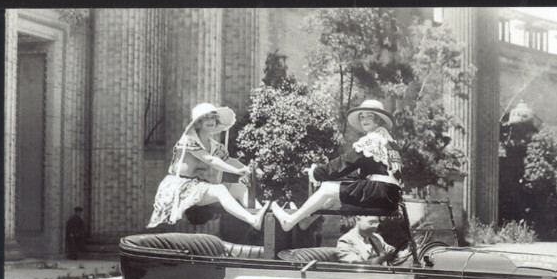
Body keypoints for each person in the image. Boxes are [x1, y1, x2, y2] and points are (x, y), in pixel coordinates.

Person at [270, 99, 403, 232]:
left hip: (381, 192)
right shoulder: (387, 140)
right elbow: (360, 171)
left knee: (328, 188)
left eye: (369, 116)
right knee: (334, 196)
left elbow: (345, 162)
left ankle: (289, 221)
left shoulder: (373, 139)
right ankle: (304, 220)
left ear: (379, 119)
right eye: (362, 116)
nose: (364, 120)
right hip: (389, 194)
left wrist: (317, 172)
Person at [148, 103, 269, 230]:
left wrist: (249, 169)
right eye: (206, 118)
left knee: (239, 187)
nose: (211, 121)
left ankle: (263, 216)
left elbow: (228, 160)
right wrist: (238, 171)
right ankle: (252, 219)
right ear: (198, 123)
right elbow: (210, 160)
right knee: (220, 189)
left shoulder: (214, 146)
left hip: (198, 186)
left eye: (213, 118)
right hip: (179, 188)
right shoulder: (188, 140)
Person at [336, 216, 409, 264]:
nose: (376, 226)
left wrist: (406, 252)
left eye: (377, 223)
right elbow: (354, 265)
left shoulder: (376, 237)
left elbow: (392, 251)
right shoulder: (346, 241)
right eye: (371, 222)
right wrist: (381, 259)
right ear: (358, 219)